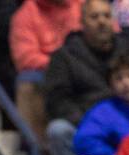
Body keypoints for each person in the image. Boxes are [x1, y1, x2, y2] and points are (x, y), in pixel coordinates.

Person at [44, 0, 129, 155]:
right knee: (60, 132)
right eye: (94, 17)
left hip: (128, 126)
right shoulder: (65, 56)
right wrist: (93, 122)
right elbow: (57, 101)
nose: (102, 22)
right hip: (87, 132)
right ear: (82, 22)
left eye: (106, 16)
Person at [11, 0, 86, 145]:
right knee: (27, 81)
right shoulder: (25, 14)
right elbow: (25, 58)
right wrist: (62, 65)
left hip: (86, 68)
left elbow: (111, 37)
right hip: (47, 72)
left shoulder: (84, 5)